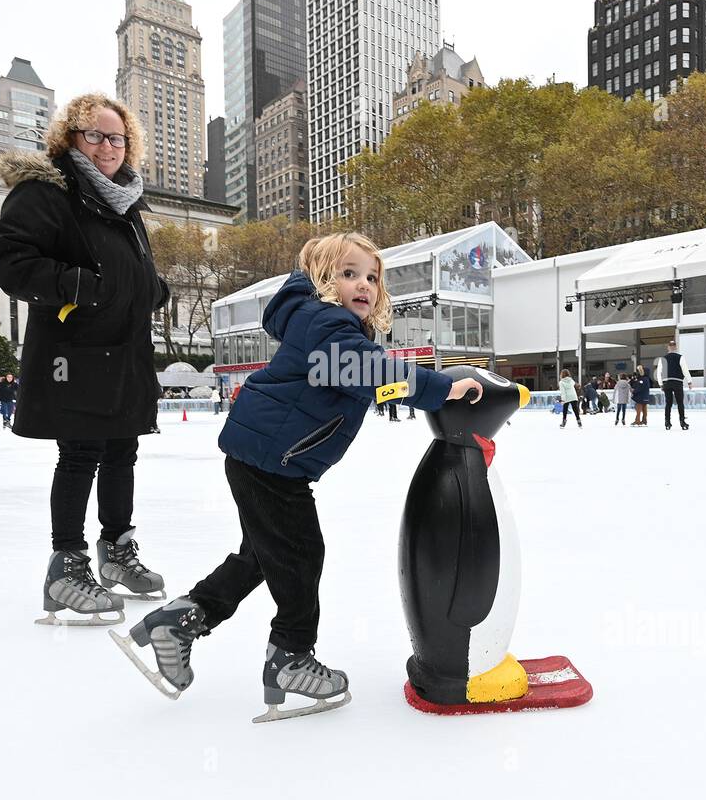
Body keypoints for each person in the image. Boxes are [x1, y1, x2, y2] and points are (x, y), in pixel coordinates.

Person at [115, 232, 482, 712]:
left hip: (266, 458)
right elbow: (369, 373)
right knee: (302, 555)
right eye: (348, 274)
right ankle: (290, 655)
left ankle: (181, 619)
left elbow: (369, 385)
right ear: (321, 279)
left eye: (371, 276)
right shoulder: (325, 323)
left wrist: (420, 389)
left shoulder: (326, 327)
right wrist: (441, 389)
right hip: (273, 463)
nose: (364, 285)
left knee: (265, 557)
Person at [0, 91, 172, 625]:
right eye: (94, 135)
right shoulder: (48, 192)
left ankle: (116, 552)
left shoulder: (125, 202)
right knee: (81, 453)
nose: (107, 145)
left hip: (127, 351)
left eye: (116, 137)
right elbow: (11, 261)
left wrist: (150, 290)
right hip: (77, 352)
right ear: (71, 139)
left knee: (122, 451)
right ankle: (67, 568)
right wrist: (83, 288)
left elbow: (130, 270)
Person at [655, 340, 694, 430]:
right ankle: (682, 422)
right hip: (677, 382)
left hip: (667, 383)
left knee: (668, 403)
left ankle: (667, 422)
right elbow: (685, 370)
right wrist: (689, 382)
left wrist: (661, 384)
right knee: (680, 403)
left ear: (668, 347)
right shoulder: (680, 357)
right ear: (676, 347)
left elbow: (659, 372)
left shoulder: (662, 359)